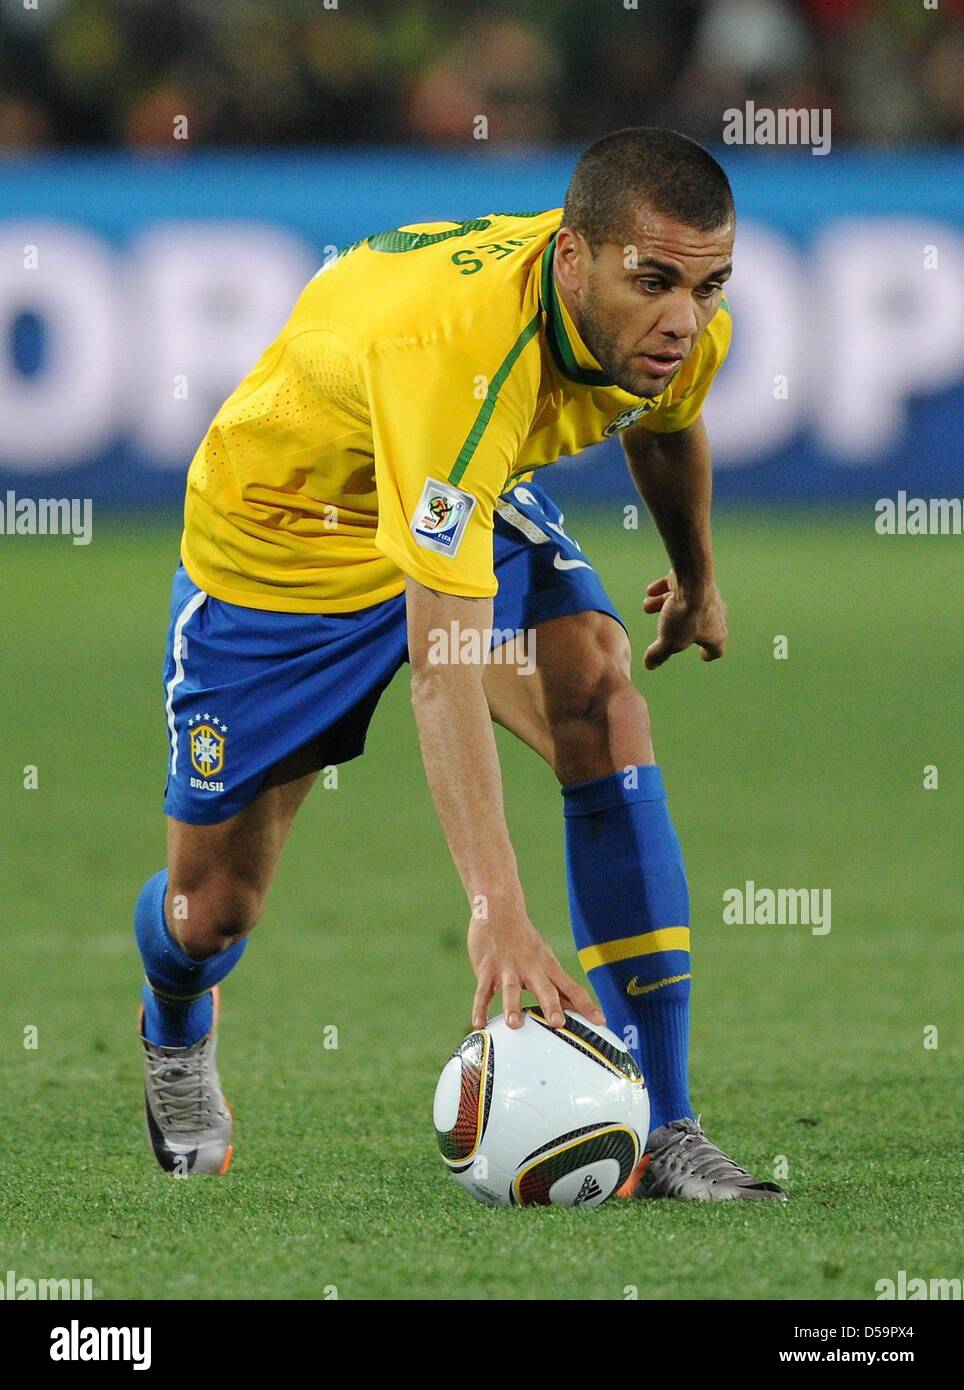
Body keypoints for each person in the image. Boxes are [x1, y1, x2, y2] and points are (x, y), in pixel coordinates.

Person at [136, 127, 787, 1200]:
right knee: (213, 912)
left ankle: (668, 1122)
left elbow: (663, 426)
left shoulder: (673, 323)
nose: (684, 317)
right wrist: (495, 907)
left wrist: (697, 577)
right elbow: (441, 653)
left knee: (598, 689)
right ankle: (173, 1021)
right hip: (280, 546)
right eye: (656, 282)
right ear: (572, 259)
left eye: (710, 285)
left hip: (448, 495)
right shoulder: (459, 359)